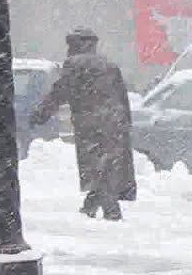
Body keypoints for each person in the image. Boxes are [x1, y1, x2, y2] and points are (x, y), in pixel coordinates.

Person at [31, 28, 136, 220]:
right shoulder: (109, 64)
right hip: (114, 122)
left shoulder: (74, 64)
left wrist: (41, 113)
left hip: (90, 123)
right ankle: (90, 205)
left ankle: (111, 210)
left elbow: (61, 90)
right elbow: (122, 95)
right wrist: (126, 122)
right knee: (107, 165)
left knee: (97, 165)